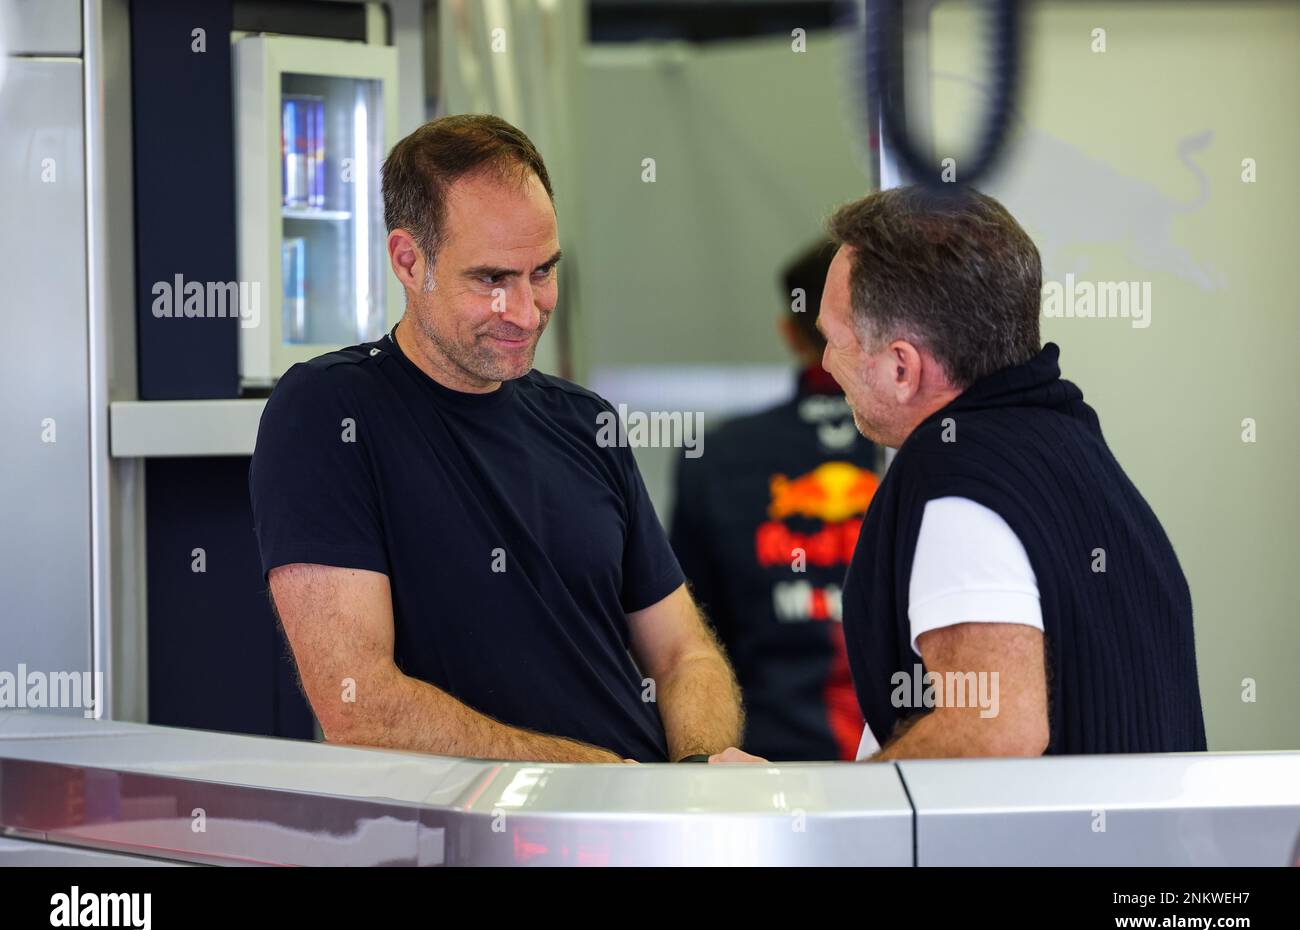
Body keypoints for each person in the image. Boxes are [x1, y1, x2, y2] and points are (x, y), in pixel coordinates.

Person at [250, 114, 742, 763]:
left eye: (542, 272)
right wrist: (592, 776)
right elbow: (359, 704)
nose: (527, 309)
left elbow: (684, 653)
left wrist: (700, 766)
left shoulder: (583, 422)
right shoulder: (328, 412)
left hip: (637, 818)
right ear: (408, 260)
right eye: (491, 280)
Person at [713, 186, 1205, 764]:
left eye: (836, 342)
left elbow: (995, 729)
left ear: (902, 367)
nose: (823, 363)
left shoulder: (954, 482)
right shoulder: (1071, 443)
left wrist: (818, 806)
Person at [670, 241, 878, 760]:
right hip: (923, 773)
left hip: (769, 771)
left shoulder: (717, 455)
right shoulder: (936, 442)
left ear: (790, 333)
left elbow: (693, 633)